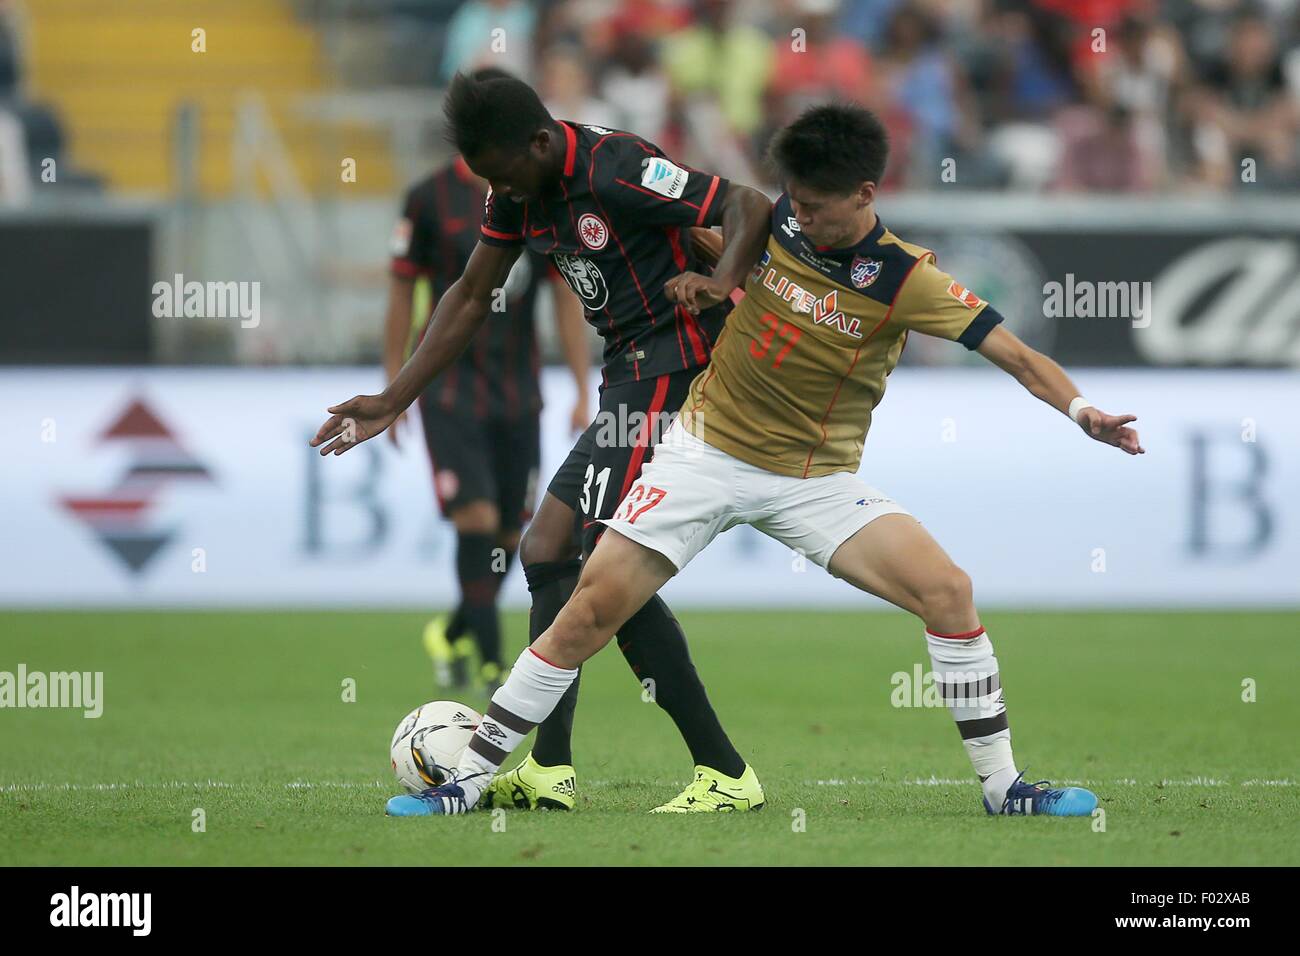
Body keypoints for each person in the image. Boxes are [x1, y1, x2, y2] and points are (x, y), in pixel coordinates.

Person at [389, 103, 1144, 818]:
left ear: (865, 194)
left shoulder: (906, 278)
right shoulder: (774, 222)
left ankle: (1004, 787)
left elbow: (1014, 353)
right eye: (794, 202)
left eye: (816, 207)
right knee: (587, 606)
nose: (801, 218)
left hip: (812, 480)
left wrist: (1084, 412)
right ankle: (467, 779)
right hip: (702, 452)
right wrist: (704, 279)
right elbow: (718, 219)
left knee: (949, 591)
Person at [312, 69, 775, 813]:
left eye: (503, 173)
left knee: (600, 567)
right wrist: (393, 397)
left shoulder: (615, 165)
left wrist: (722, 281)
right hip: (630, 375)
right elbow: (468, 295)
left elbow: (748, 203)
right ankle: (550, 772)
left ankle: (723, 772)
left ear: (537, 140)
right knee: (546, 550)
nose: (502, 191)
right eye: (488, 180)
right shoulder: (515, 191)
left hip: (680, 363)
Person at [384, 147, 590, 693]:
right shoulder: (429, 197)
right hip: (449, 391)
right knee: (474, 521)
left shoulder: (536, 193)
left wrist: (578, 382)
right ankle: (494, 662)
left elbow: (564, 293)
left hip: (519, 395)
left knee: (508, 535)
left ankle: (452, 631)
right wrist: (393, 389)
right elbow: (402, 290)